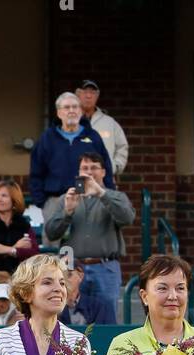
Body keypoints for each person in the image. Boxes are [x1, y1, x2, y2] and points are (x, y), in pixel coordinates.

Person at [42, 152, 134, 324]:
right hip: (73, 269)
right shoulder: (67, 198)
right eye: (85, 168)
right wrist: (67, 212)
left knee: (107, 317)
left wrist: (101, 193)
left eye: (94, 168)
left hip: (105, 267)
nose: (89, 172)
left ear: (104, 172)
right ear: (79, 172)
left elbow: (127, 218)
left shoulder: (116, 196)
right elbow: (51, 232)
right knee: (68, 316)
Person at [30, 92, 116, 241]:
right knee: (53, 249)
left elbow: (105, 168)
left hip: (87, 198)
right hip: (55, 200)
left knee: (86, 244)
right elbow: (36, 172)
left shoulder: (93, 136)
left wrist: (108, 194)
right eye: (67, 107)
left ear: (81, 111)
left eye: (75, 107)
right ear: (59, 112)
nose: (72, 111)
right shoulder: (47, 138)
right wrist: (43, 202)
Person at [76, 79, 128, 175]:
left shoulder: (110, 123)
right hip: (76, 177)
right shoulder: (71, 122)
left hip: (104, 179)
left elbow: (122, 147)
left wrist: (114, 167)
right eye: (85, 92)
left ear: (97, 96)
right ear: (78, 94)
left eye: (92, 92)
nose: (88, 96)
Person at [58, 261, 104, 327]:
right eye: (61, 276)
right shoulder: (51, 307)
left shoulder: (97, 307)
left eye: (69, 274)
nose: (64, 280)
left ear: (81, 276)